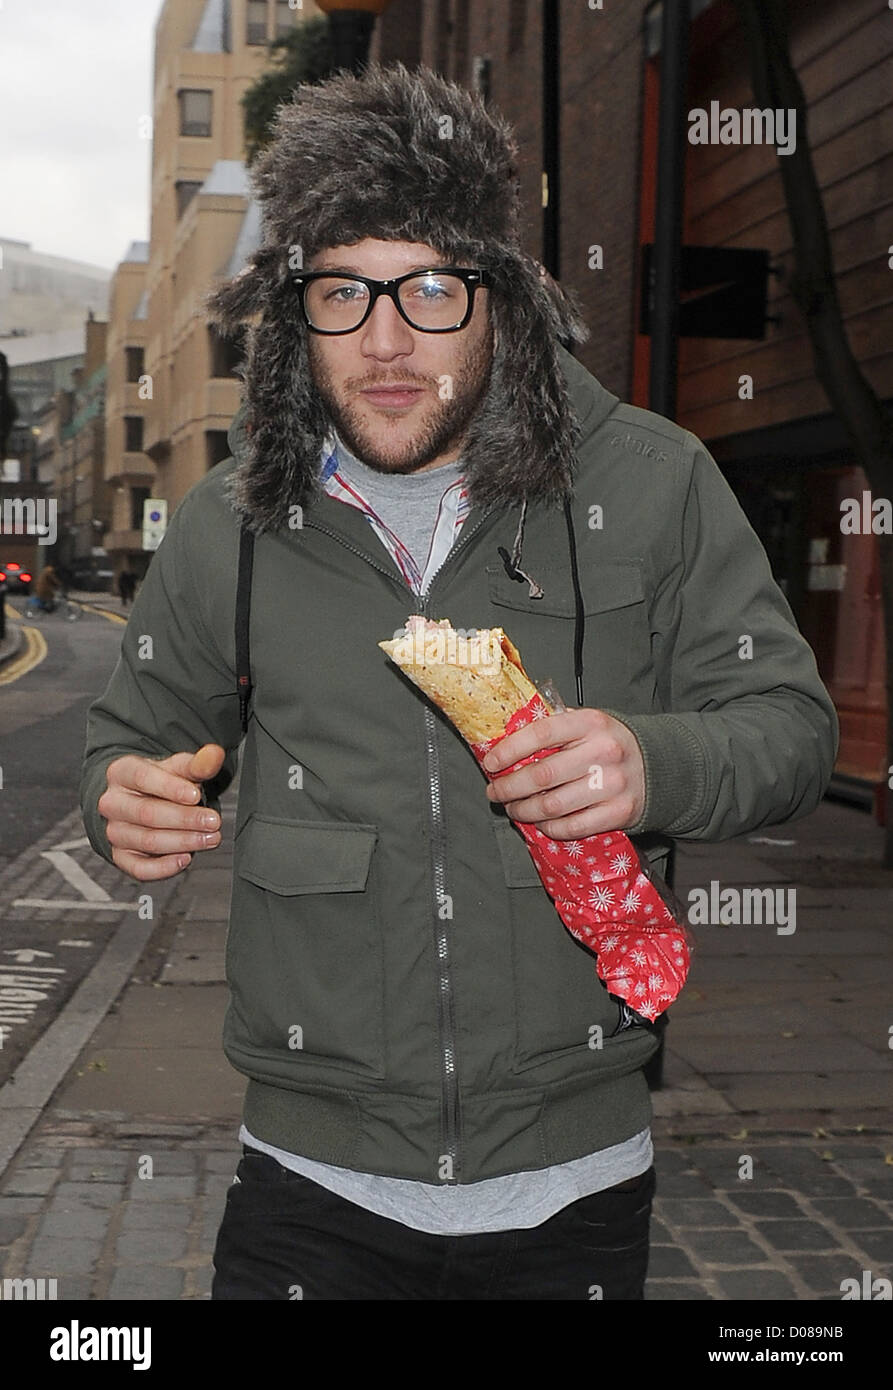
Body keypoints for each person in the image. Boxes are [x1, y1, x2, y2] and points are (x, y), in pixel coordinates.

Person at [79, 62, 838, 1301]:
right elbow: (135, 730)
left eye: (428, 288)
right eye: (342, 293)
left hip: (575, 1171)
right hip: (309, 1178)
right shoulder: (227, 524)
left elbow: (792, 731)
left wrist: (654, 763)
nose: (384, 341)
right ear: (296, 312)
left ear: (504, 298)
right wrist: (125, 789)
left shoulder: (653, 480)